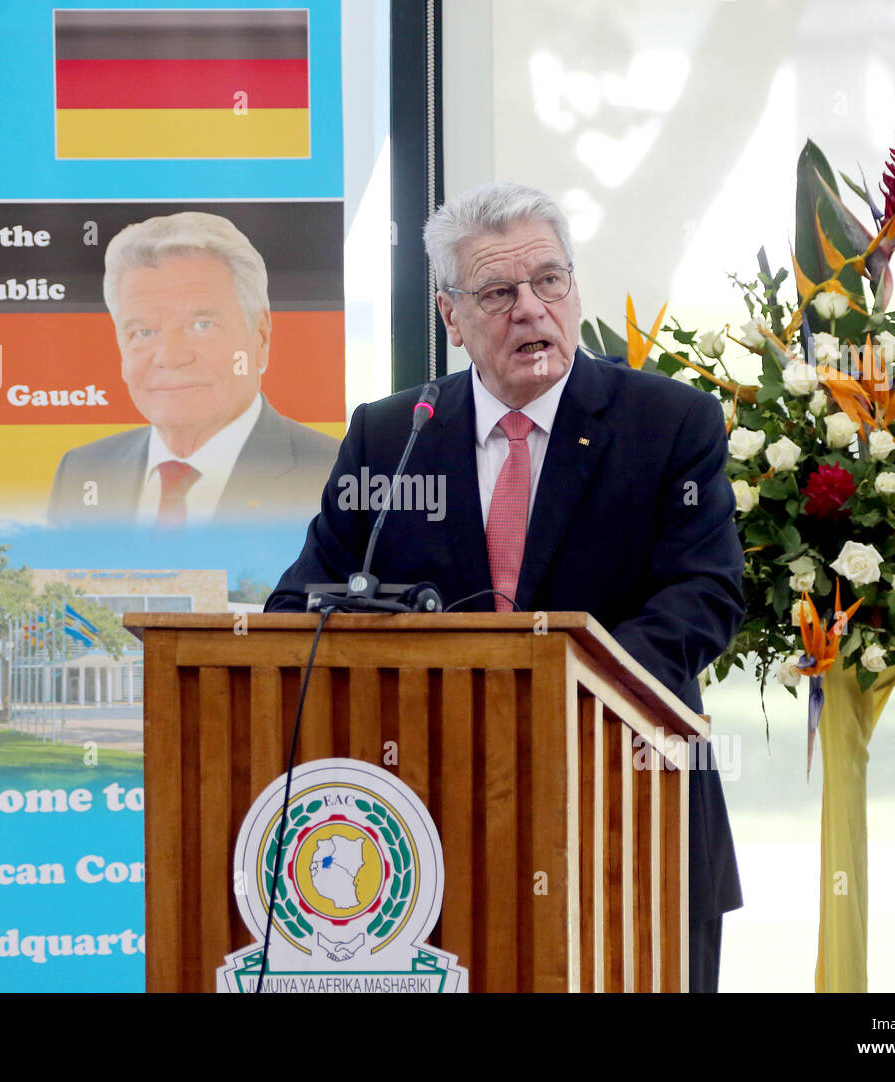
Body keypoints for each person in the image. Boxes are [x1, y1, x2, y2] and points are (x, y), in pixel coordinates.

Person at [265, 181, 744, 991]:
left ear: (572, 289)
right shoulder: (393, 435)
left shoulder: (669, 423)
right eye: (498, 293)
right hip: (429, 821)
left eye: (548, 282)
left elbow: (705, 593)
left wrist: (575, 690)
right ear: (450, 316)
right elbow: (299, 605)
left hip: (627, 806)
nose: (530, 309)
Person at [47, 212, 339, 527]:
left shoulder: (337, 473)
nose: (170, 357)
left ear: (260, 335)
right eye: (143, 332)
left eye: (202, 325)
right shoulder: (81, 472)